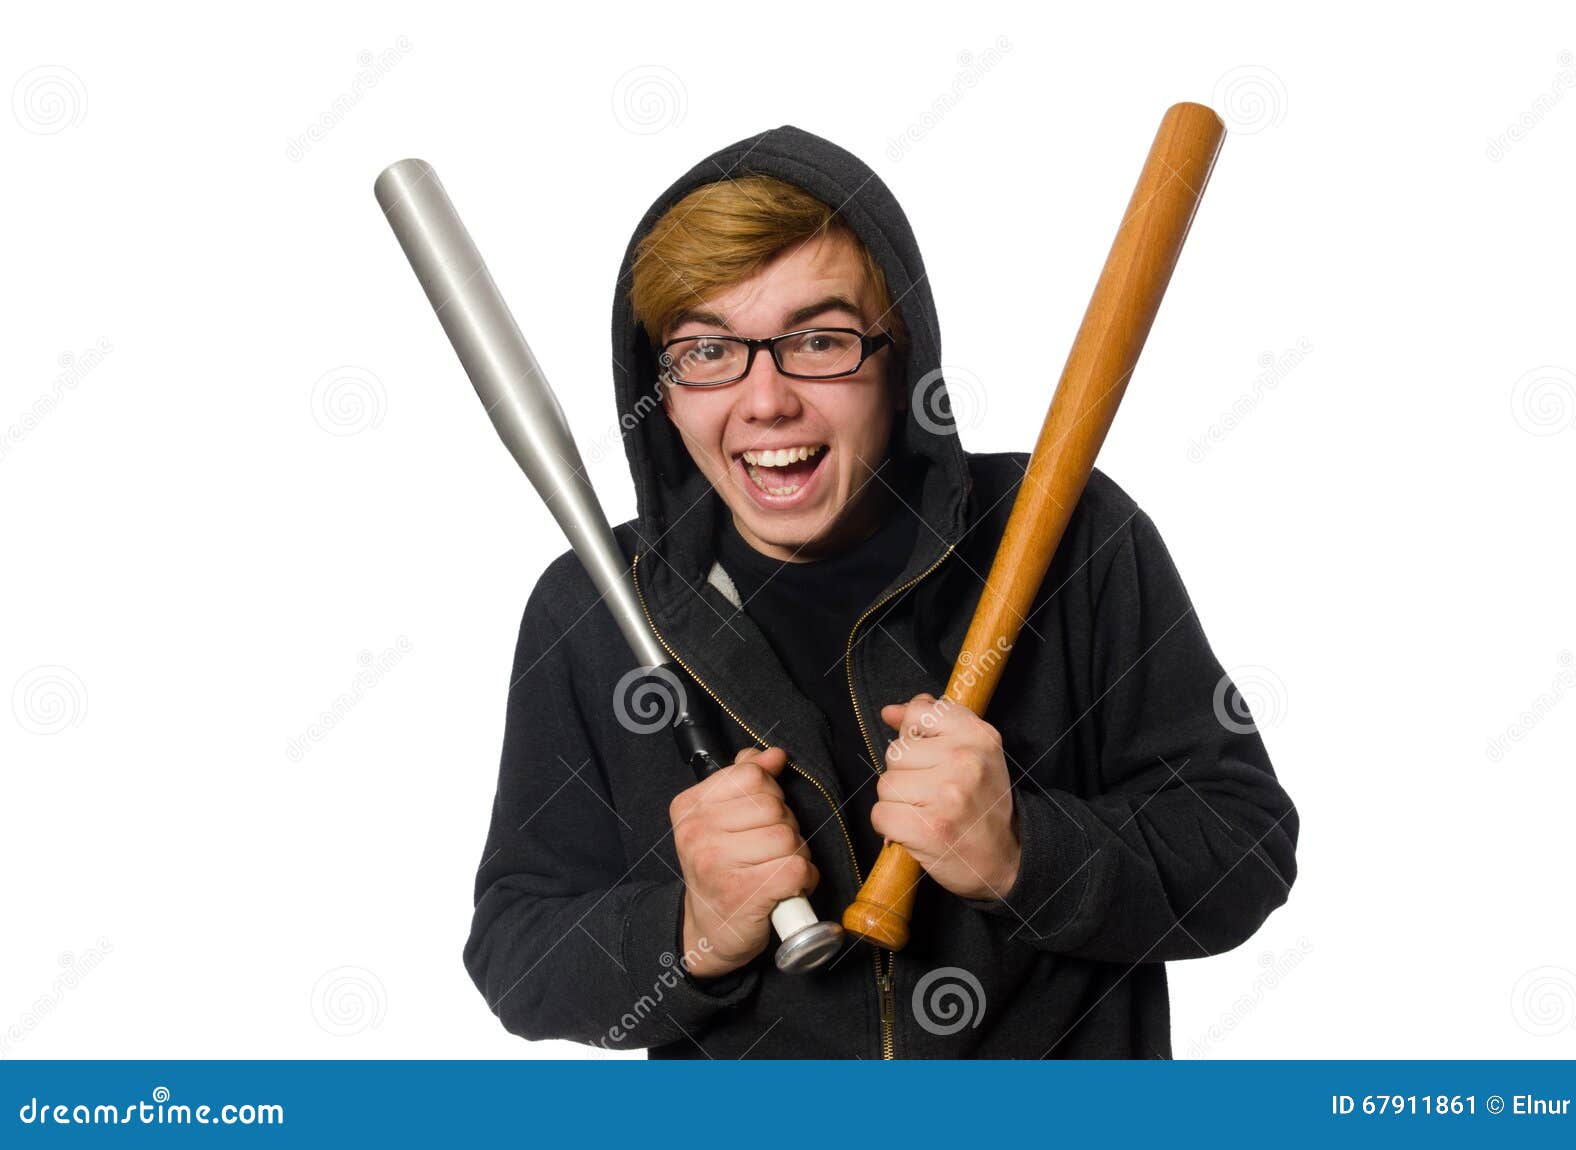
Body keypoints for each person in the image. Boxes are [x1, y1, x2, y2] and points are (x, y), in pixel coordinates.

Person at [463, 124, 1298, 1058]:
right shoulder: (590, 607)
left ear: (901, 359)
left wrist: (1027, 854)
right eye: (706, 351)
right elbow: (516, 956)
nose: (767, 400)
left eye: (820, 341)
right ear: (662, 382)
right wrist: (691, 932)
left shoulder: (1074, 534)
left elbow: (1244, 847)